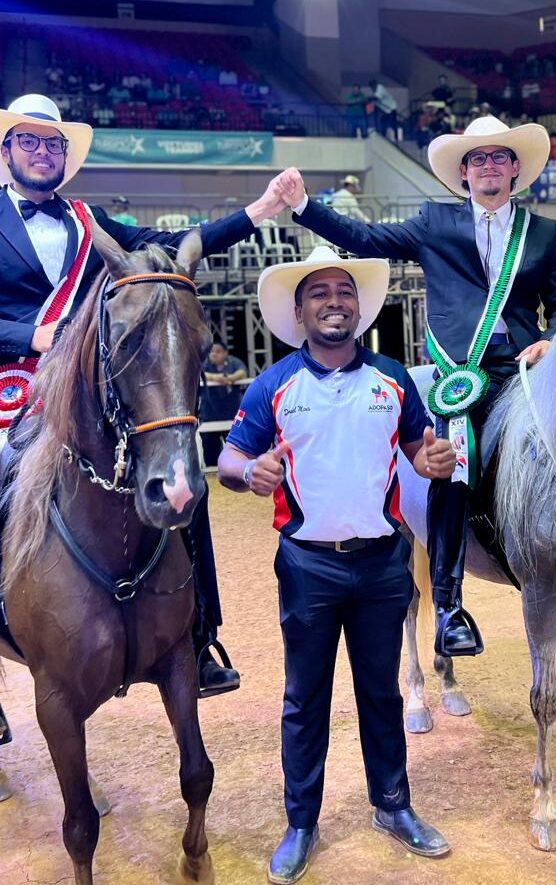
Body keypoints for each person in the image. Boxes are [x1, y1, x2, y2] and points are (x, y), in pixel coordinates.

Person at [0, 94, 289, 755]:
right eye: (30, 143)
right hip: (9, 392)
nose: (43, 154)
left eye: (53, 145)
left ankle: (200, 633)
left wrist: (258, 212)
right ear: (6, 153)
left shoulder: (94, 225)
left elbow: (177, 244)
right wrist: (29, 336)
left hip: (89, 395)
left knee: (182, 483)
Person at [275, 115, 556, 658]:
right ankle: (448, 605)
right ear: (463, 174)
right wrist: (305, 206)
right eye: (477, 159)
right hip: (461, 378)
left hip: (530, 367)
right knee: (452, 462)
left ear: (515, 169)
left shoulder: (543, 233)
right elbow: (365, 237)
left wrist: (552, 340)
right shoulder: (434, 224)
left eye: (498, 157)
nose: (488, 166)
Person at [218, 247, 455, 884]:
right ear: (299, 312)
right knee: (305, 697)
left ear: (359, 307)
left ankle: (393, 806)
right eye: (319, 292)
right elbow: (229, 462)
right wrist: (251, 472)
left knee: (380, 692)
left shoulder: (393, 379)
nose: (333, 301)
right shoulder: (273, 386)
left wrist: (431, 461)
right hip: (307, 566)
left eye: (344, 292)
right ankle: (302, 822)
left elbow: (419, 446)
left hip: (382, 563)